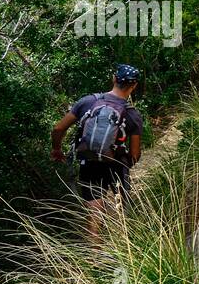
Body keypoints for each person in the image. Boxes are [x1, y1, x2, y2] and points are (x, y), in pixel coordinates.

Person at [51, 64, 145, 241]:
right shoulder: (132, 114)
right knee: (124, 208)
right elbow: (134, 153)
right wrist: (126, 164)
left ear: (114, 79)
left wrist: (56, 149)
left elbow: (58, 128)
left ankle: (95, 255)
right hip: (117, 164)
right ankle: (130, 246)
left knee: (94, 211)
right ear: (134, 86)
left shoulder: (88, 102)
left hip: (90, 161)